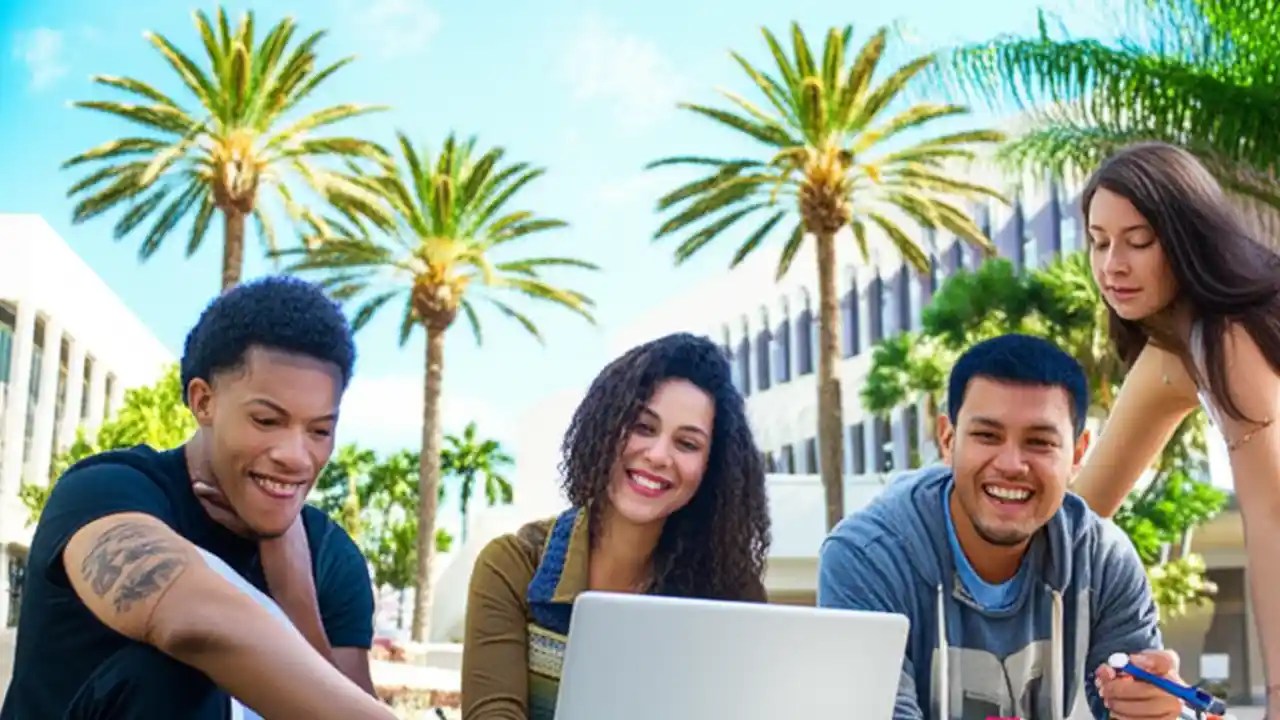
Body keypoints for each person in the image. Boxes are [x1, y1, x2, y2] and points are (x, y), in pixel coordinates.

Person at [2, 276, 395, 719]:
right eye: (266, 420)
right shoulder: (107, 491)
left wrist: (294, 587)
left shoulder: (329, 555)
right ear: (203, 400)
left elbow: (348, 705)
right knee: (180, 673)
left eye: (320, 430)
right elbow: (190, 624)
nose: (295, 456)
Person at [818, 334, 1189, 720]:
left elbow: (1145, 698)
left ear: (1078, 453)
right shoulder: (867, 557)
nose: (1011, 464)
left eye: (1039, 442)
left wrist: (1154, 710)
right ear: (948, 439)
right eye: (987, 436)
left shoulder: (1102, 559)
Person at [1069, 141, 1280, 715]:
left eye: (1139, 241)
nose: (1113, 264)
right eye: (1099, 241)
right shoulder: (1169, 358)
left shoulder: (1229, 337)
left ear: (1187, 239)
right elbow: (1078, 512)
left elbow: (1271, 518)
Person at [461, 332, 771, 720]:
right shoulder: (512, 566)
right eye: (643, 426)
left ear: (712, 469)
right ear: (605, 428)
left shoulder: (732, 591)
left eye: (687, 444)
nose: (658, 456)